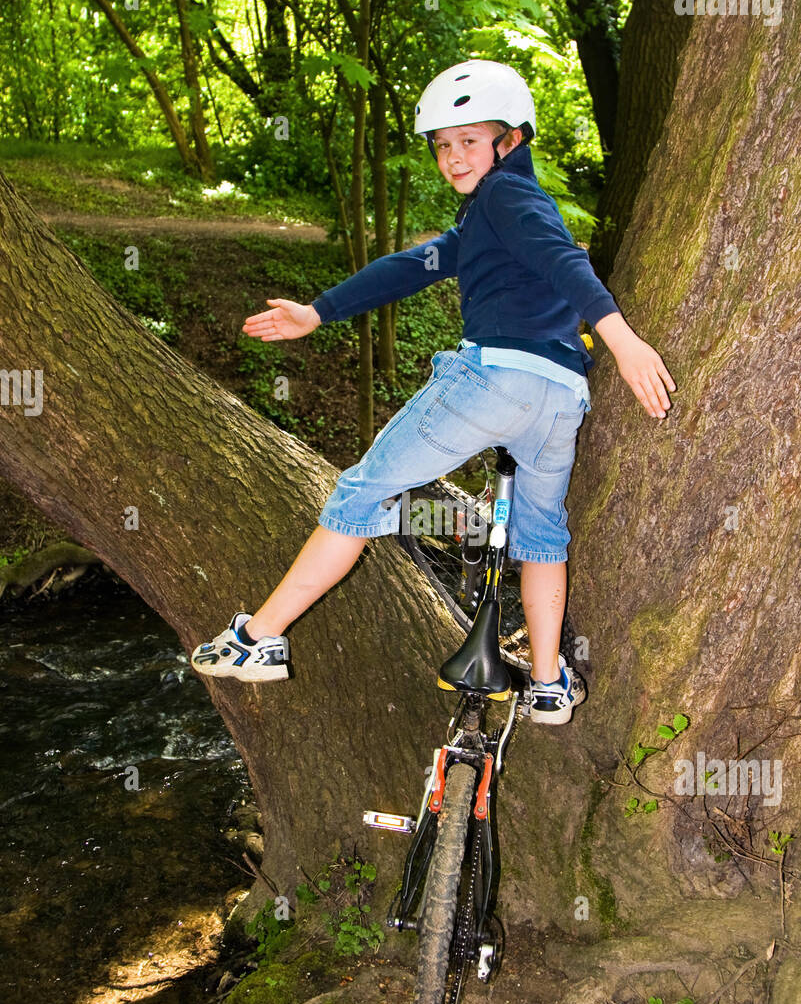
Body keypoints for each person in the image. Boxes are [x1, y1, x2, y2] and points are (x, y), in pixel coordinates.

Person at [191, 60, 675, 723]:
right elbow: (409, 268)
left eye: (468, 140)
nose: (452, 157)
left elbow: (567, 265)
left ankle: (258, 639)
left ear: (513, 140)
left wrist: (621, 339)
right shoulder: (496, 215)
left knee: (361, 489)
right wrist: (319, 310)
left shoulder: (506, 199)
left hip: (493, 381)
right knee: (540, 537)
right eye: (443, 145)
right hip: (560, 399)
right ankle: (548, 683)